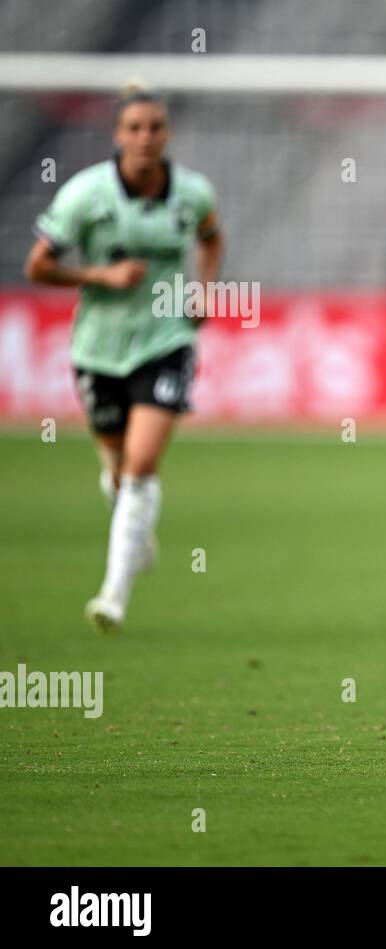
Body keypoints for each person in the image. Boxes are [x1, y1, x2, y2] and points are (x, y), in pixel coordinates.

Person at [24, 83, 222, 634]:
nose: (145, 138)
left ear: (167, 133)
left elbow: (211, 236)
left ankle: (113, 594)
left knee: (139, 466)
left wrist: (203, 290)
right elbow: (37, 265)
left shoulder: (191, 193)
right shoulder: (86, 196)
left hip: (166, 344)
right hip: (97, 350)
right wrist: (97, 275)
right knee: (115, 471)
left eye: (155, 127)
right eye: (134, 128)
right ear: (117, 135)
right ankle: (135, 530)